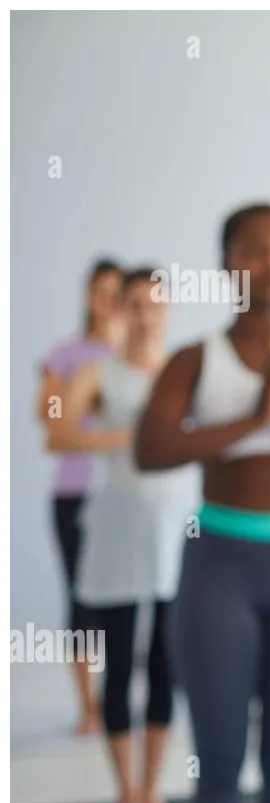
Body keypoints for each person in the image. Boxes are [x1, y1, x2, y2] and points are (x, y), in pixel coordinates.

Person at [134, 202, 270, 803]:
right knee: (220, 768)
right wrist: (254, 417)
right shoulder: (195, 359)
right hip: (218, 565)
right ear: (226, 262)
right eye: (254, 249)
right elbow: (151, 448)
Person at [48, 267, 197, 803]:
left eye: (155, 305)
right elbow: (60, 431)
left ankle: (152, 788)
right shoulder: (97, 373)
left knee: (163, 659)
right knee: (117, 660)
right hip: (117, 528)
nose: (145, 316)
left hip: (175, 528)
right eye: (134, 305)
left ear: (168, 311)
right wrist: (135, 436)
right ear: (119, 311)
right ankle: (125, 790)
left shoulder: (185, 373)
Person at [39, 257, 127, 735]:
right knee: (82, 602)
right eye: (100, 292)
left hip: (126, 499)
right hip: (75, 494)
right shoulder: (67, 355)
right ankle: (88, 706)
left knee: (124, 605)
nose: (108, 302)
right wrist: (114, 431)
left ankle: (116, 706)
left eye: (117, 293)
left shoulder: (138, 356)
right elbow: (51, 422)